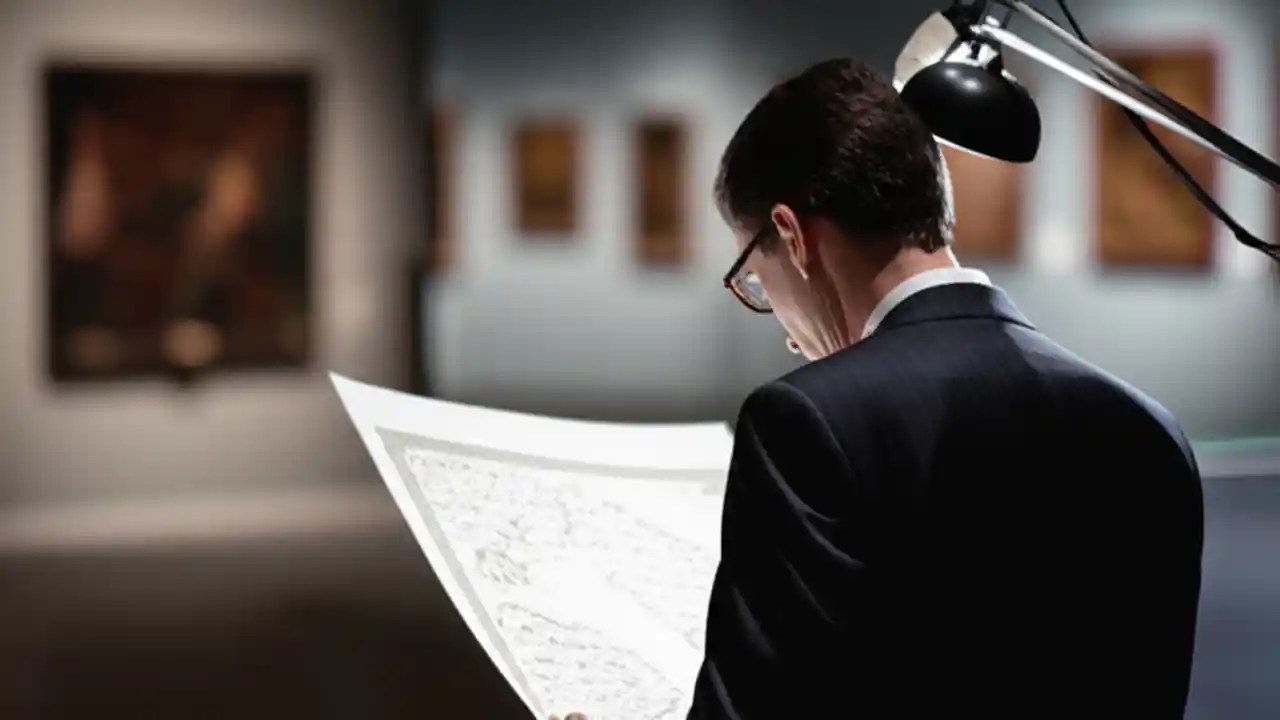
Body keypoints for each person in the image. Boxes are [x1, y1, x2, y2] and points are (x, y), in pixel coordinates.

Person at [558, 56, 1204, 719]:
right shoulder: (1150, 430)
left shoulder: (807, 420)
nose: (783, 331)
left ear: (790, 234)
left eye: (754, 279)